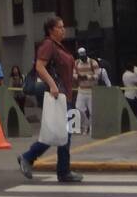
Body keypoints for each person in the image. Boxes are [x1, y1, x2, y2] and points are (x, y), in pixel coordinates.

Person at [17, 15, 82, 184]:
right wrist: (53, 85)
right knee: (60, 133)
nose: (63, 30)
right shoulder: (48, 45)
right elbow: (39, 66)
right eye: (60, 27)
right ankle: (32, 158)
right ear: (51, 30)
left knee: (61, 133)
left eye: (63, 27)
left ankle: (60, 169)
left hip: (65, 95)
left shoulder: (59, 46)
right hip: (58, 95)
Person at [73, 47, 100, 134]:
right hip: (81, 90)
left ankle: (91, 129)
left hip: (91, 90)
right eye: (81, 56)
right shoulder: (76, 63)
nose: (83, 58)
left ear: (86, 54)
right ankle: (86, 126)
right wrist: (79, 77)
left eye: (84, 56)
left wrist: (87, 77)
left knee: (92, 111)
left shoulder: (93, 62)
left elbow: (97, 75)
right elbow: (73, 74)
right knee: (79, 108)